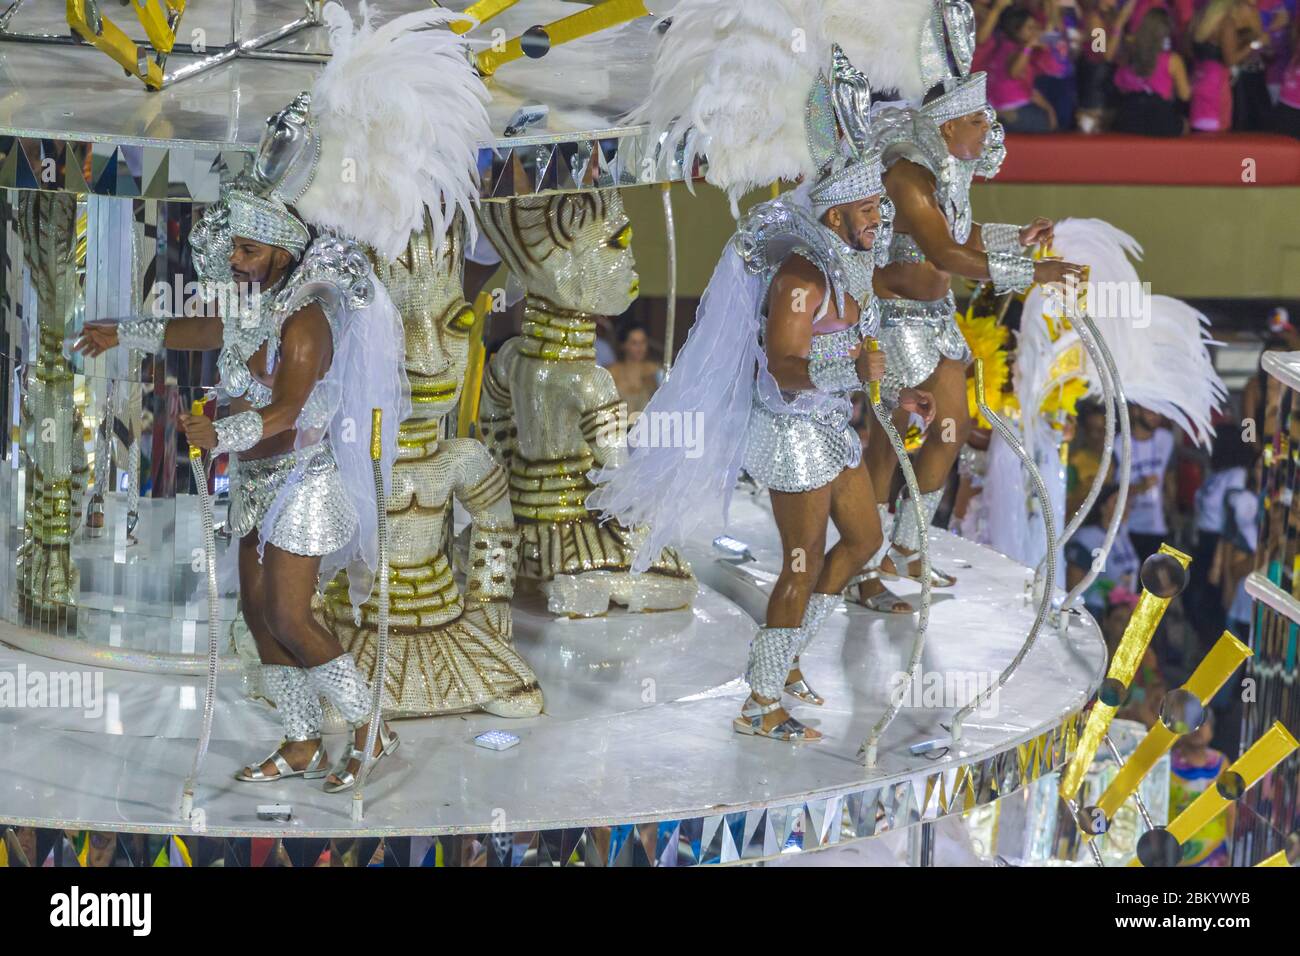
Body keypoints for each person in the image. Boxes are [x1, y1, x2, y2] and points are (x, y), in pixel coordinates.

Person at [73, 5, 483, 791]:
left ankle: (369, 731)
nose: (240, 262)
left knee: (293, 617)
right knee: (258, 617)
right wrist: (122, 332)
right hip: (255, 482)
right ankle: (300, 740)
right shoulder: (257, 302)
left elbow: (290, 412)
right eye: (234, 251)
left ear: (284, 243)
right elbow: (200, 331)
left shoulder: (307, 319)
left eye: (251, 250)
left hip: (301, 483)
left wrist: (216, 432)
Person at [593, 27, 935, 740]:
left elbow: (855, 355)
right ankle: (760, 699)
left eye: (882, 205)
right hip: (790, 435)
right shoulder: (802, 278)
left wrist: (894, 395)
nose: (883, 216)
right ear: (836, 212)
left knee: (864, 541)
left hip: (832, 429)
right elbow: (783, 363)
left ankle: (786, 658)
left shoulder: (851, 265)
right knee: (801, 564)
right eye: (870, 209)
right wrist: (849, 373)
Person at [853, 30, 1084, 611]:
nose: (990, 131)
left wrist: (1019, 241)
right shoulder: (908, 177)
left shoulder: (948, 170)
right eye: (979, 121)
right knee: (887, 442)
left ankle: (906, 545)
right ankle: (863, 566)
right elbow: (944, 254)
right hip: (895, 317)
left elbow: (962, 236)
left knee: (950, 428)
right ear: (948, 126)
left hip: (935, 315)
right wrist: (1033, 273)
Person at [1189, 0, 1268, 131]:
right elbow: (1230, 60)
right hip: (1218, 84)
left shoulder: (1201, 17)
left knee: (1200, 127)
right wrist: (1255, 44)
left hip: (1199, 79)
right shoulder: (1227, 23)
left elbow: (1188, 49)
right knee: (1222, 130)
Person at [1112, 6, 1192, 135]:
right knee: (1185, 125)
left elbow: (1120, 85)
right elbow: (1185, 95)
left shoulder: (1129, 56)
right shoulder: (1172, 60)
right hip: (1160, 117)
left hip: (1130, 117)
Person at [1065, 483, 1140, 620]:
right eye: (1117, 502)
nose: (1124, 508)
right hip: (1095, 614)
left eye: (1127, 502)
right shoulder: (1086, 538)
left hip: (1124, 613)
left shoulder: (1122, 534)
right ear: (1102, 507)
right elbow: (1073, 585)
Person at [1169, 709, 1235, 865]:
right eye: (1192, 722)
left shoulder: (1222, 762)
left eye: (1204, 722)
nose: (1199, 727)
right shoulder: (1168, 763)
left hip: (1217, 855)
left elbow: (1231, 811)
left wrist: (1233, 849)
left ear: (1212, 729)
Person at [985, 7, 1061, 131]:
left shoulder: (1006, 46)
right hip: (1013, 113)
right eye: (1030, 28)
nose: (1035, 31)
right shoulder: (1011, 49)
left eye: (1036, 27)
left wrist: (1049, 108)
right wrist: (1029, 46)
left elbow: (1027, 88)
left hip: (1008, 110)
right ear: (1016, 31)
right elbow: (1014, 73)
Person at [1077, 0, 1141, 132]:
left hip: (1111, 85)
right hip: (1094, 87)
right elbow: (1104, 55)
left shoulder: (1112, 16)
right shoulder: (1094, 18)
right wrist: (1119, 24)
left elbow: (1119, 54)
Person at [1124, 406, 1176, 562]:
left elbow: (1170, 478)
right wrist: (1139, 487)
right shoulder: (1120, 443)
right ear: (1135, 411)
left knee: (1154, 582)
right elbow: (1109, 489)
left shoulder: (1166, 439)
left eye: (1158, 410)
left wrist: (1172, 512)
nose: (1156, 416)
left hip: (1157, 526)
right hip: (1128, 528)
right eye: (1150, 410)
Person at [607, 321, 662, 416]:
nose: (640, 348)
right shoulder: (612, 372)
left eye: (643, 342)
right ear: (623, 345)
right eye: (634, 343)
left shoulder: (655, 371)